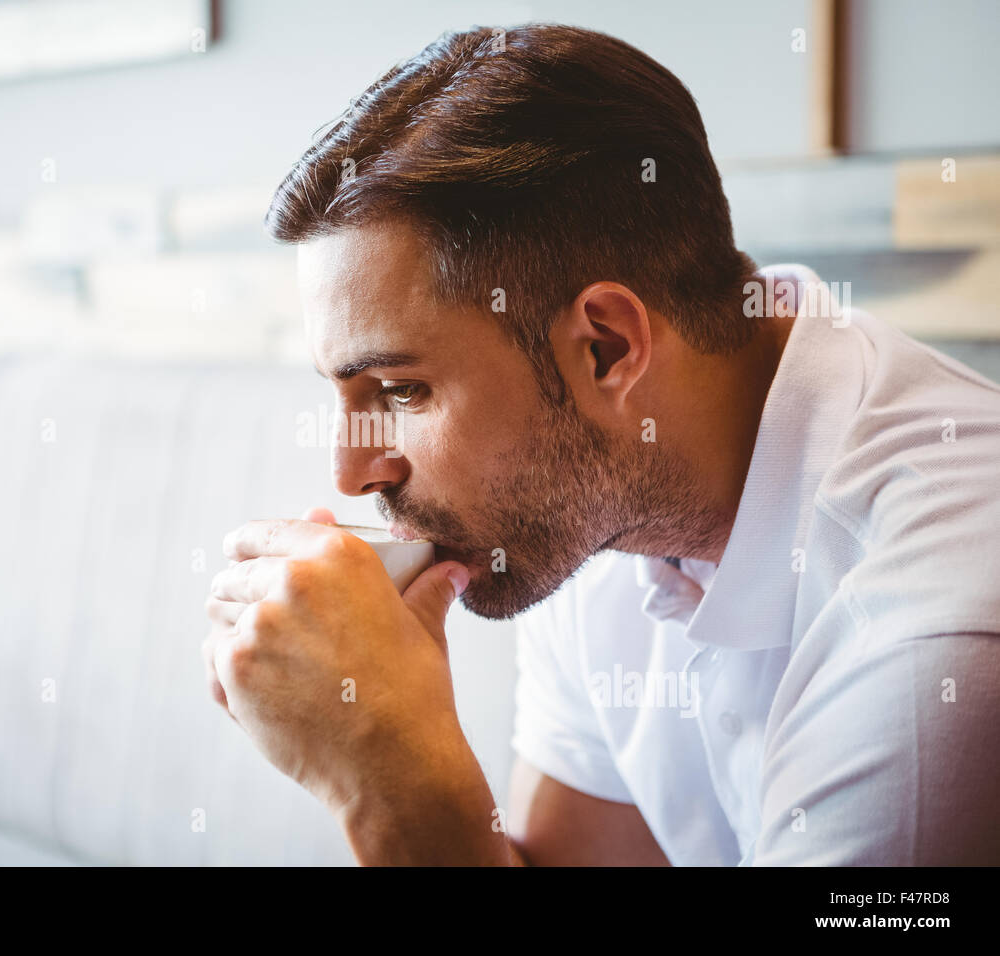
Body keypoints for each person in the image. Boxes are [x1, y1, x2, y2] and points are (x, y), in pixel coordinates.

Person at [203, 23, 1000, 865]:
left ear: (606, 349)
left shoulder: (929, 639)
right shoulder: (594, 502)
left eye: (401, 392)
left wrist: (386, 779)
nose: (352, 473)